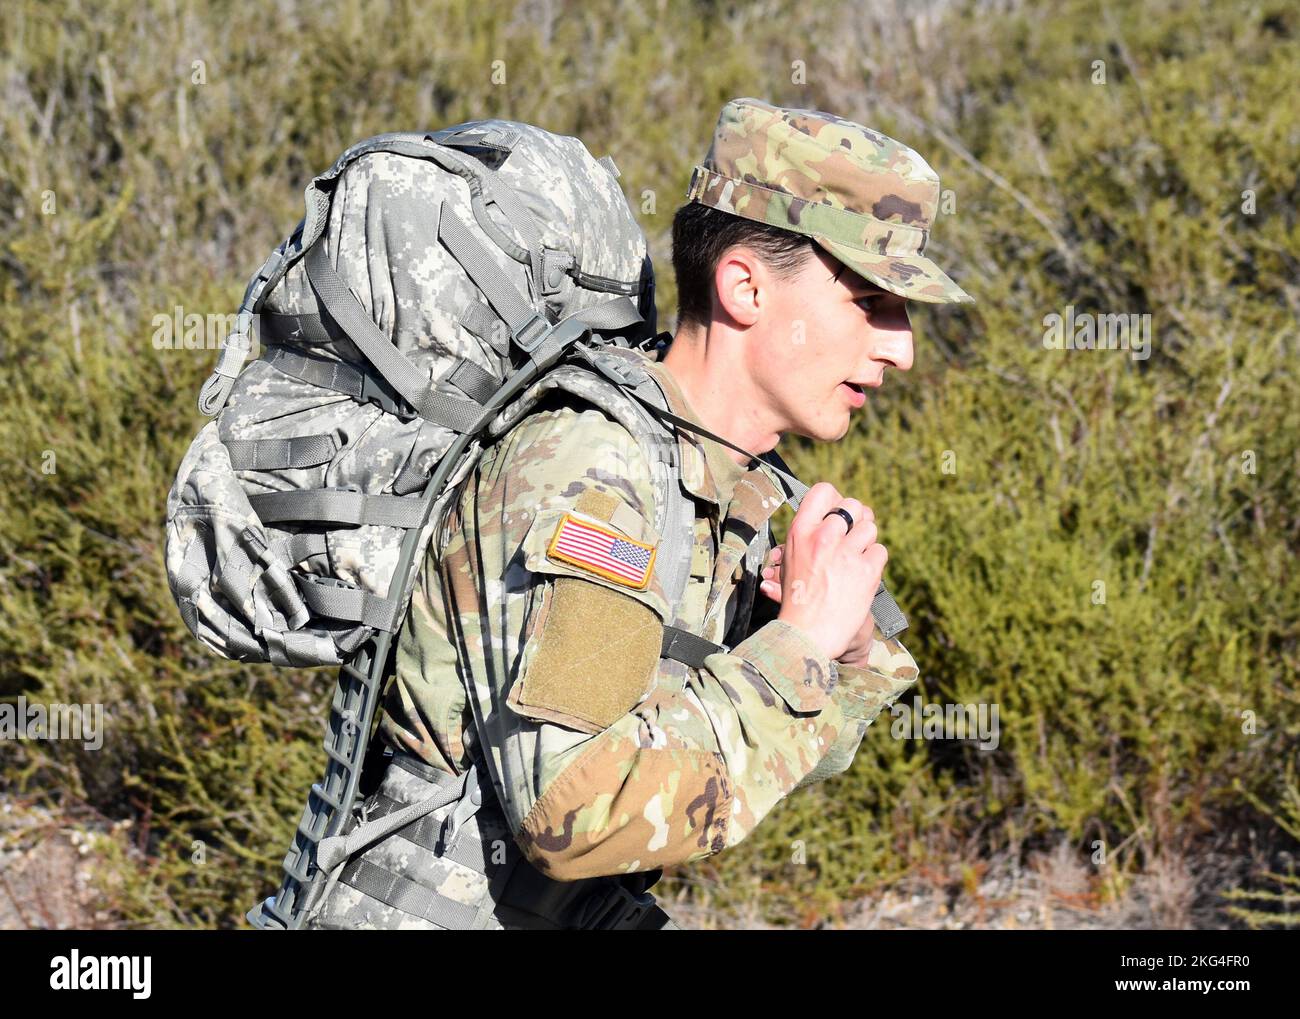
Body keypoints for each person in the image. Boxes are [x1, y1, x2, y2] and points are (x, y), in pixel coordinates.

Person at [309, 96, 973, 930]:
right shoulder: (597, 467)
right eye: (871, 301)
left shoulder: (731, 485)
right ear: (744, 286)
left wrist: (844, 650)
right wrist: (797, 644)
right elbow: (573, 811)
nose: (900, 347)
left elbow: (747, 751)